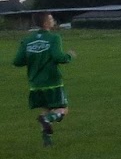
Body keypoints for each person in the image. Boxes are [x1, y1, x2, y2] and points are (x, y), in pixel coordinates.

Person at [13, 12, 76, 147]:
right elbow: (58, 57)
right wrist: (69, 56)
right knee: (63, 109)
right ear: (46, 22)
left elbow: (17, 61)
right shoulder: (53, 38)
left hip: (35, 84)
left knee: (46, 109)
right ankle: (48, 119)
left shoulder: (27, 40)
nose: (53, 21)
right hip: (52, 82)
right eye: (51, 18)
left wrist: (33, 58)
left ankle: (47, 141)